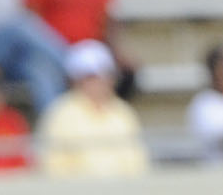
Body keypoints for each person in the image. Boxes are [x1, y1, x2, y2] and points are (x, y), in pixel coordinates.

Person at [38, 38, 147, 178]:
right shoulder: (60, 114)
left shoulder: (123, 112)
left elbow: (138, 163)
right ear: (75, 80)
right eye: (91, 77)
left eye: (105, 76)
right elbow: (53, 167)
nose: (99, 83)